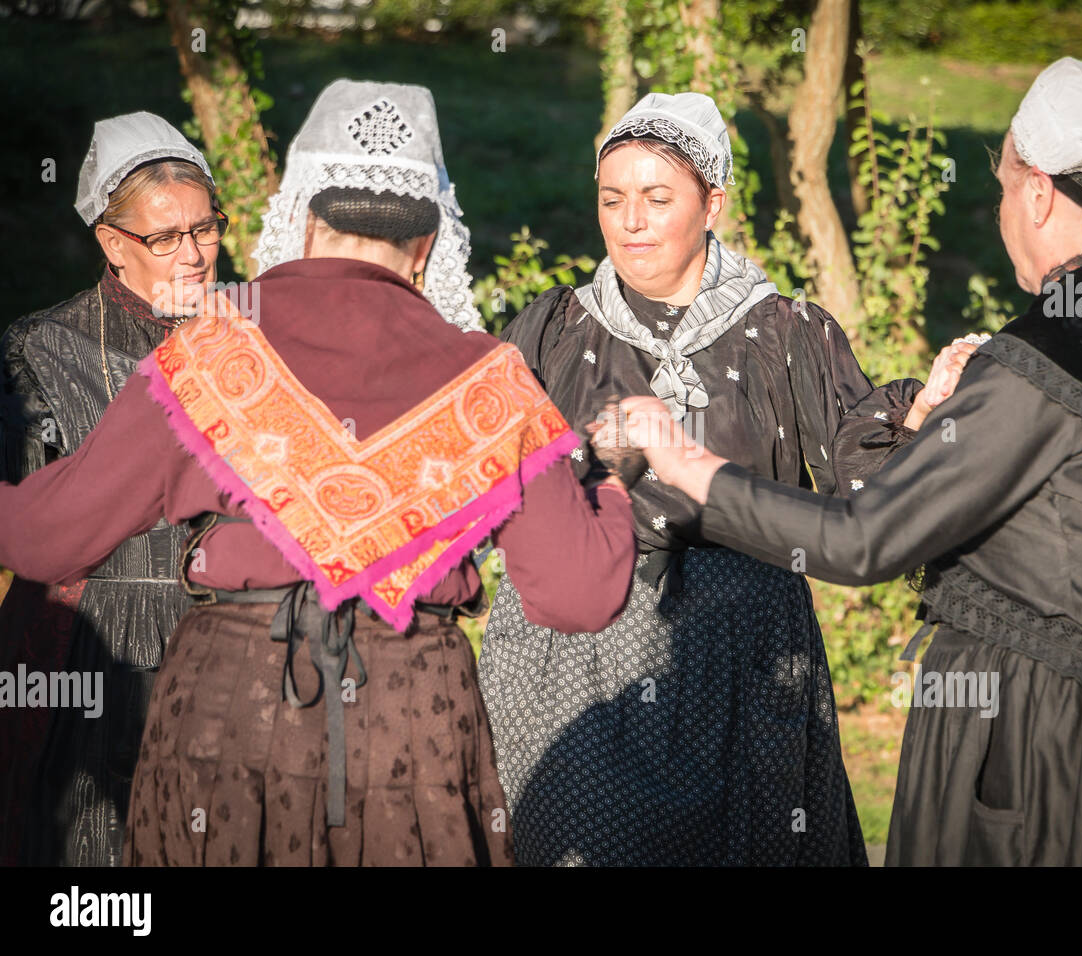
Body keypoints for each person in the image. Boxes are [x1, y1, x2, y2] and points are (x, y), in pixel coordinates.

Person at [601, 59, 1082, 866]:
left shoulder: (1038, 360)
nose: (1002, 210)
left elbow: (862, 540)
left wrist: (686, 462)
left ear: (1037, 192)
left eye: (1002, 187)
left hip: (1038, 754)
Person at [0, 79, 637, 866]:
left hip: (228, 710)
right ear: (429, 246)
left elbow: (41, 540)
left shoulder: (212, 356)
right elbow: (579, 595)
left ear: (300, 220)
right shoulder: (489, 379)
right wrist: (610, 484)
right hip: (413, 717)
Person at [479, 90, 974, 866]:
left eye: (656, 198)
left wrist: (917, 417)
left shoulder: (786, 333)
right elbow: (485, 468)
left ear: (713, 202)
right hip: (578, 657)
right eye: (612, 199)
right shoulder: (552, 329)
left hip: (744, 654)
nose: (629, 221)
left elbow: (855, 469)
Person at [0, 113, 222, 866]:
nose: (192, 255)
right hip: (100, 652)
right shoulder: (43, 348)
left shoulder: (251, 336)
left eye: (206, 229)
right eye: (164, 238)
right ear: (110, 242)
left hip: (235, 649)